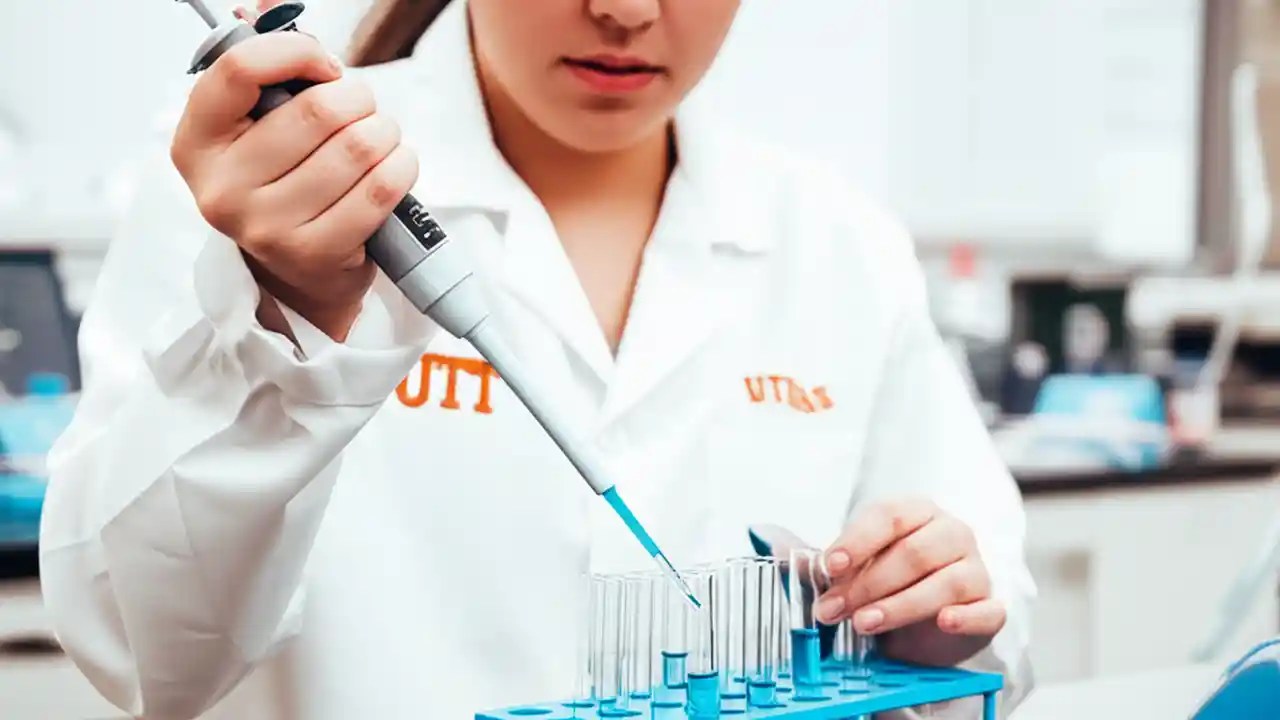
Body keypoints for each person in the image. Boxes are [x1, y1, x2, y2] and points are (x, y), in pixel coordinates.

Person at [39, 1, 1035, 718]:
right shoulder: (261, 182)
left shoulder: (836, 240)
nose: (625, 11)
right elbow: (141, 654)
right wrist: (285, 311)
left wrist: (929, 624)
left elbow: (990, 615)